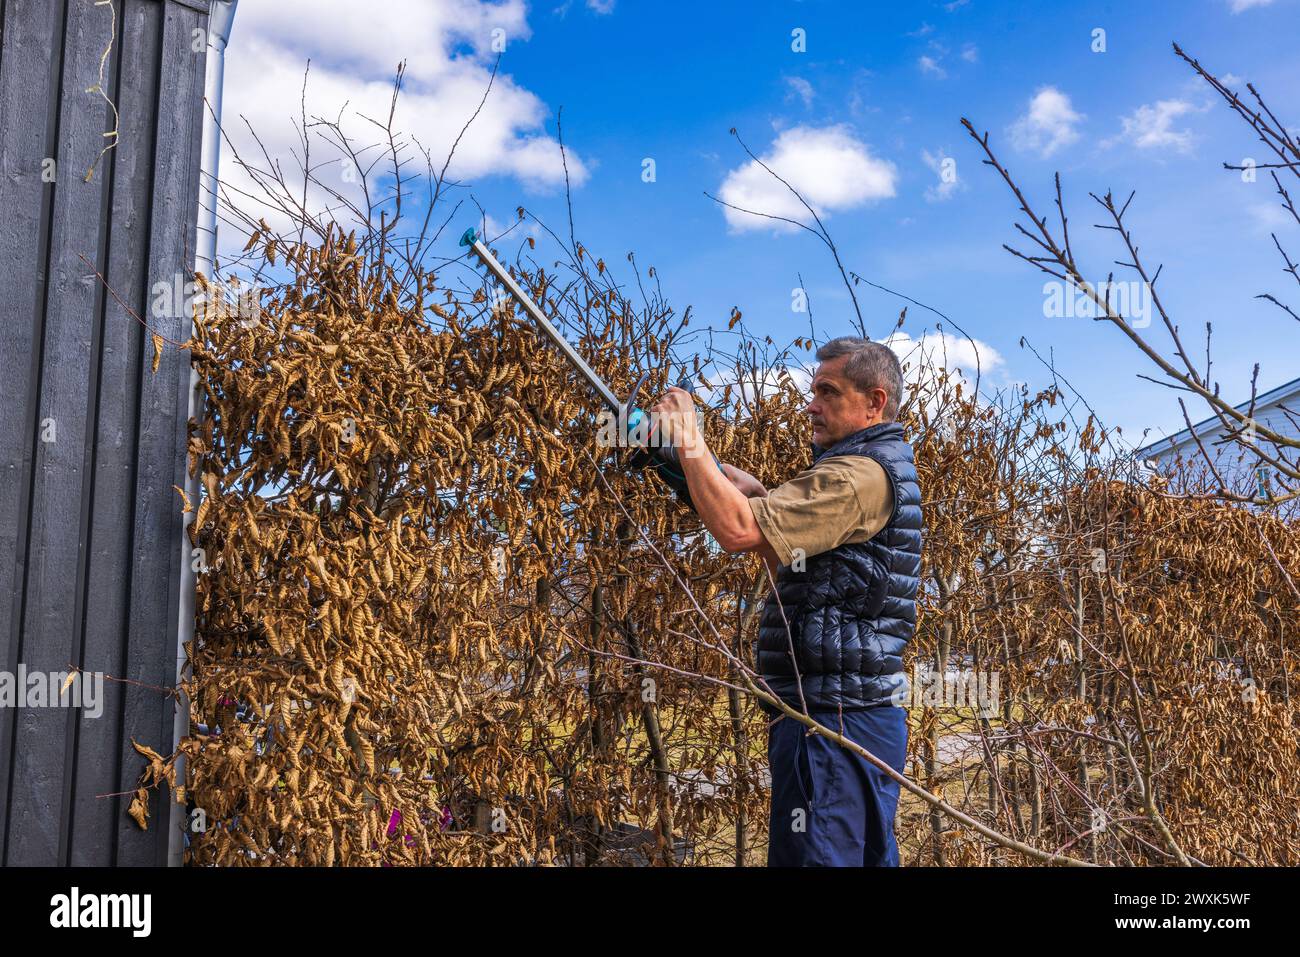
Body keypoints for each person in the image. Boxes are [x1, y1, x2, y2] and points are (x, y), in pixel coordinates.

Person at [649, 336, 922, 867]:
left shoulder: (858, 475)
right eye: (812, 390)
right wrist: (684, 463)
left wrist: (690, 440)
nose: (811, 404)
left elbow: (738, 528)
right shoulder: (862, 467)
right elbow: (779, 548)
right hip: (845, 713)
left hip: (833, 720)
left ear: (875, 401)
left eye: (828, 391)